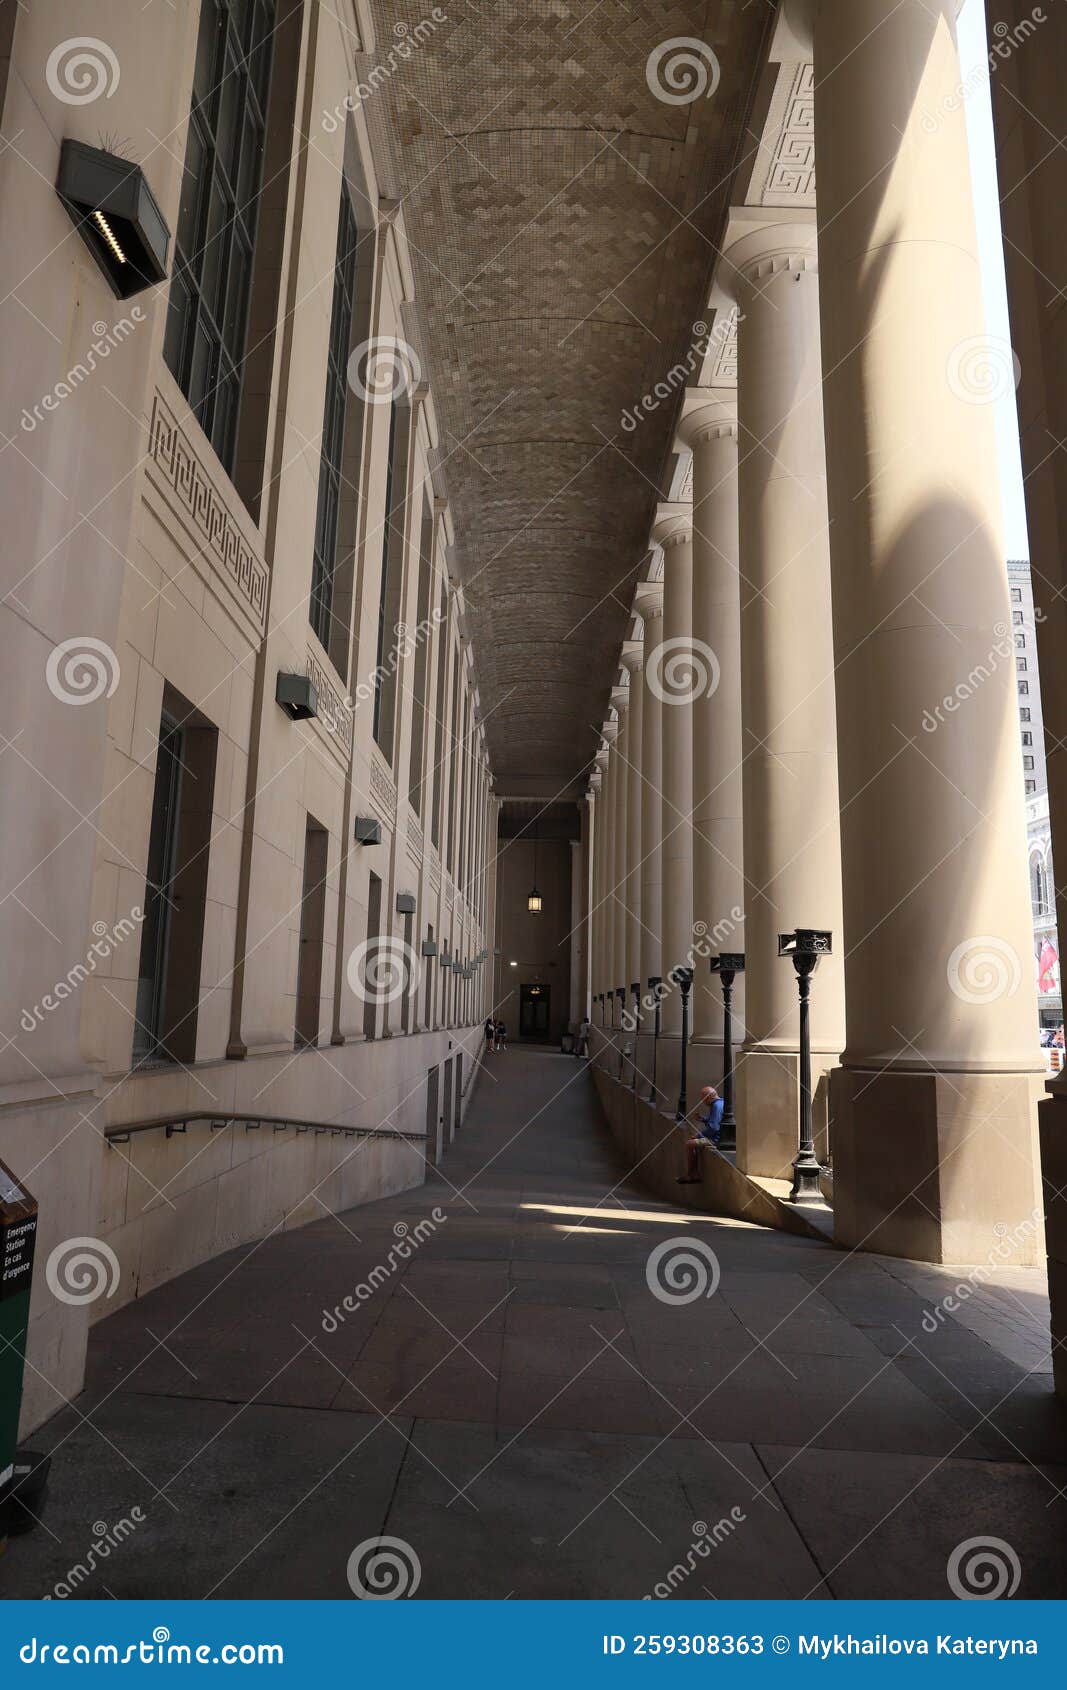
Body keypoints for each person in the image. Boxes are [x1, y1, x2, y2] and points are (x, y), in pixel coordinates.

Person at [677, 1085, 724, 1184]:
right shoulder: (720, 1103)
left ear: (709, 1097)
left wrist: (699, 1135)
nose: (703, 1102)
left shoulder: (716, 1106)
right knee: (692, 1143)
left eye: (703, 1099)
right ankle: (694, 1173)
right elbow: (716, 1121)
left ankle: (691, 1175)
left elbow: (714, 1128)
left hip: (716, 1139)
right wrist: (703, 1119)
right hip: (719, 1136)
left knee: (689, 1144)